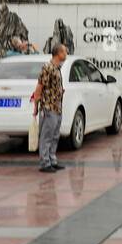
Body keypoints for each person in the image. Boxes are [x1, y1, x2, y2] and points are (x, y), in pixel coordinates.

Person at [32, 43, 68, 172]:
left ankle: (52, 160)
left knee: (55, 135)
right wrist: (36, 108)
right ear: (58, 53)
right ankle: (45, 163)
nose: (66, 54)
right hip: (49, 107)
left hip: (57, 107)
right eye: (64, 52)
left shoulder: (57, 68)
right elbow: (39, 88)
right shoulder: (48, 68)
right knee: (46, 136)